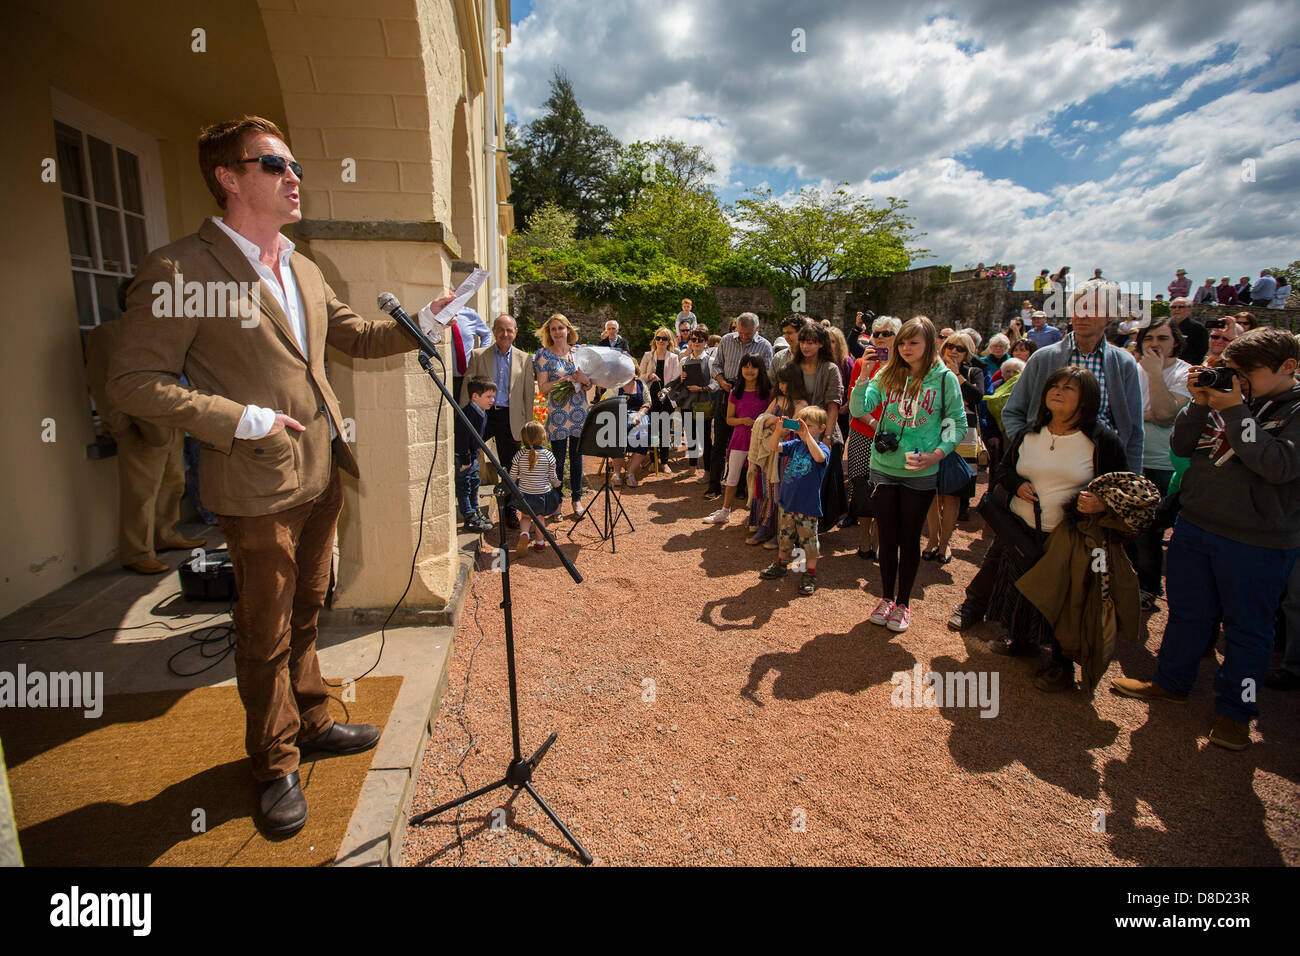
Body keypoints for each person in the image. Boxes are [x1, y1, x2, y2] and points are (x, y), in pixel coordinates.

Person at [106, 115, 457, 835]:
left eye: (293, 163)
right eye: (273, 165)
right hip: (255, 482)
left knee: (308, 613)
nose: (293, 175)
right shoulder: (180, 269)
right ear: (228, 178)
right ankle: (273, 764)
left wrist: (425, 317)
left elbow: (356, 337)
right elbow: (133, 382)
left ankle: (314, 719)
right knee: (261, 631)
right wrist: (240, 418)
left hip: (323, 472)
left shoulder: (302, 265)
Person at [1112, 329, 1300, 751]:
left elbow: (1277, 464)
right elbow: (1181, 444)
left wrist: (1235, 409)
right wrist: (1200, 404)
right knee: (1186, 613)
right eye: (1232, 371)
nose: (1239, 380)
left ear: (1288, 367)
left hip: (1259, 541)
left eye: (1247, 372)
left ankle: (1237, 711)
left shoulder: (1293, 409)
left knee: (1248, 631)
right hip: (1196, 525)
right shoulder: (1226, 396)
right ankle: (1171, 681)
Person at [950, 368, 1128, 684]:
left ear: (1086, 399)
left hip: (1068, 538)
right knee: (1019, 589)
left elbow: (1121, 489)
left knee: (1064, 599)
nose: (1058, 391)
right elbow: (1003, 471)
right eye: (1054, 386)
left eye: (1069, 388)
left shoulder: (1102, 442)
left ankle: (1061, 666)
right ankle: (1022, 640)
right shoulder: (1029, 434)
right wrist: (1017, 484)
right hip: (1020, 529)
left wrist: (1100, 504)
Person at [850, 316, 965, 633]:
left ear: (929, 344)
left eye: (913, 342)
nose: (905, 348)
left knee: (909, 537)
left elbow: (957, 424)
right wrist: (863, 375)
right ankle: (886, 597)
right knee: (887, 536)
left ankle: (903, 603)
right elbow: (860, 408)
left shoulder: (944, 380)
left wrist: (936, 455)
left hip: (920, 472)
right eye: (902, 342)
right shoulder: (887, 373)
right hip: (884, 467)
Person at [85, 314, 205, 575]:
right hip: (137, 427)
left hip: (169, 422)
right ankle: (136, 552)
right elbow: (101, 380)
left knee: (174, 483)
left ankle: (166, 534)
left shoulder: (161, 331)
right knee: (140, 494)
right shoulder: (108, 334)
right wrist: (119, 426)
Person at [1002, 278, 1145, 474]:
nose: (1083, 315)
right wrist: (1028, 447)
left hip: (1103, 467)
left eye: (1093, 308)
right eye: (1079, 307)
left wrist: (1131, 478)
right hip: (1047, 465)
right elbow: (1012, 412)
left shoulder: (1123, 363)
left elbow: (1134, 430)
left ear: (1110, 315)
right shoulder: (1043, 359)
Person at [1132, 318, 1192, 611]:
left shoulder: (1186, 373)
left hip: (1166, 464)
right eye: (1149, 338)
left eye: (1163, 338)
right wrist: (1149, 413)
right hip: (1132, 457)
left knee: (1150, 530)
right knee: (1125, 526)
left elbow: (1166, 414)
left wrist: (1155, 373)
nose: (1155, 344)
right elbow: (1127, 412)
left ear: (1176, 343)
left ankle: (1148, 587)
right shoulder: (1131, 369)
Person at [462, 314, 536, 531]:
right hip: (482, 416)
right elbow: (467, 389)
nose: (505, 334)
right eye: (501, 330)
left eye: (509, 330)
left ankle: (509, 511)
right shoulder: (478, 356)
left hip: (510, 418)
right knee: (469, 459)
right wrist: (465, 418)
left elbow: (528, 396)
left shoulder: (525, 359)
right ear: (494, 331)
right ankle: (472, 507)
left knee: (511, 467)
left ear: (515, 332)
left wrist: (528, 426)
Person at [758, 405, 831, 595]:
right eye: (801, 426)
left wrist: (807, 437)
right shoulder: (795, 445)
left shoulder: (822, 448)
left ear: (822, 428)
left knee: (809, 542)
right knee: (784, 536)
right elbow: (773, 447)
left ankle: (809, 574)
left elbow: (820, 457)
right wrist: (779, 432)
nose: (803, 430)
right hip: (787, 503)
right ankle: (781, 564)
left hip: (807, 506)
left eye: (809, 426)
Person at [924, 332, 984, 563]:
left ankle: (945, 544)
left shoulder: (973, 371)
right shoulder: (933, 369)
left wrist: (957, 375)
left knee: (953, 493)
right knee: (933, 490)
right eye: (950, 346)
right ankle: (932, 539)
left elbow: (976, 397)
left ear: (967, 351)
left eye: (960, 348)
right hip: (935, 433)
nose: (954, 351)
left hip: (964, 436)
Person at [844, 316, 898, 555]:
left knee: (886, 487)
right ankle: (864, 538)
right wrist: (876, 424)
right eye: (877, 333)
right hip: (864, 432)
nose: (880, 338)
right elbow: (854, 402)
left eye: (887, 333)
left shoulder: (905, 367)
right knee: (863, 486)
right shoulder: (860, 364)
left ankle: (878, 539)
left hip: (895, 436)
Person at [706, 313, 773, 500]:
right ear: (736, 327)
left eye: (748, 334)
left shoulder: (765, 346)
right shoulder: (726, 340)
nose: (744, 337)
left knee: (749, 443)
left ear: (757, 330)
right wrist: (722, 381)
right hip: (727, 393)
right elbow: (716, 366)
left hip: (752, 397)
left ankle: (742, 487)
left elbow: (766, 375)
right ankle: (714, 485)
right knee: (720, 441)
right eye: (741, 332)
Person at [535, 312, 593, 517]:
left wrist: (584, 379)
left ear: (568, 329)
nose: (558, 332)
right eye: (553, 329)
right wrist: (565, 380)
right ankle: (557, 502)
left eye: (561, 328)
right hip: (558, 414)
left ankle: (576, 500)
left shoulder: (579, 352)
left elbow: (588, 385)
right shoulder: (543, 355)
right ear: (549, 333)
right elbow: (542, 387)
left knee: (577, 459)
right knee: (558, 461)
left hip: (579, 412)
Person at [792, 322, 848, 531]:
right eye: (804, 342)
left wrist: (827, 437)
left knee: (821, 486)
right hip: (799, 432)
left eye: (812, 342)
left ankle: (814, 531)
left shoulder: (831, 369)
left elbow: (833, 405)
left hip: (824, 432)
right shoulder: (794, 366)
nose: (806, 346)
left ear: (821, 344)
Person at [705, 355, 771, 524]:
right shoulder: (735, 392)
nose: (749, 371)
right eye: (746, 367)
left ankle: (757, 515)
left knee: (759, 479)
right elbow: (729, 419)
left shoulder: (768, 393)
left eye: (753, 367)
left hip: (760, 441)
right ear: (740, 369)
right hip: (739, 439)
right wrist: (743, 421)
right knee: (732, 476)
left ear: (760, 370)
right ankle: (725, 511)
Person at [750, 364, 810, 547]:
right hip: (771, 454)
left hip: (789, 456)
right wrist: (776, 423)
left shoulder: (802, 404)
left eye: (785, 383)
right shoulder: (778, 400)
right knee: (769, 490)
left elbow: (795, 427)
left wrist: (774, 422)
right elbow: (763, 419)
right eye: (780, 383)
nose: (782, 387)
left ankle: (783, 532)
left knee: (784, 493)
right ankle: (765, 526)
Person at [509, 420, 563, 556]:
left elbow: (512, 475)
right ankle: (539, 543)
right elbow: (552, 477)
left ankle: (525, 534)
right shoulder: (548, 455)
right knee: (539, 519)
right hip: (541, 495)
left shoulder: (519, 455)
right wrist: (557, 483)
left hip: (524, 495)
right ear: (543, 437)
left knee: (525, 517)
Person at [455, 377, 497, 534]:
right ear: (475, 396)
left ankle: (476, 510)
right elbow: (462, 439)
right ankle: (469, 516)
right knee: (464, 487)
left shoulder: (482, 412)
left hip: (473, 457)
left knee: (474, 484)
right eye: (488, 396)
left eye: (493, 396)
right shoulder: (467, 415)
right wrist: (466, 460)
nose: (492, 400)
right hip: (465, 459)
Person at [674, 327, 716, 479]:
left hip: (703, 403)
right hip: (687, 403)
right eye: (694, 340)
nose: (696, 343)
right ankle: (692, 467)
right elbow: (677, 382)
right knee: (690, 436)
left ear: (706, 342)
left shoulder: (711, 361)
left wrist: (702, 388)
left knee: (704, 437)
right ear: (690, 342)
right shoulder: (684, 360)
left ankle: (707, 471)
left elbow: (715, 383)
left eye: (700, 340)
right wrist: (681, 378)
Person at [610, 374, 648, 486]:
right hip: (619, 416)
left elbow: (648, 402)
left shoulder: (641, 384)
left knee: (643, 437)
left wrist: (640, 414)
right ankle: (616, 472)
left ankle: (630, 473)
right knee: (618, 436)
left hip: (639, 417)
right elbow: (609, 404)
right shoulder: (615, 384)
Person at [1168, 297, 1208, 364]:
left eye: (1181, 307)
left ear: (1189, 309)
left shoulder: (1198, 328)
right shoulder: (1164, 326)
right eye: (1173, 307)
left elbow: (1201, 351)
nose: (1176, 309)